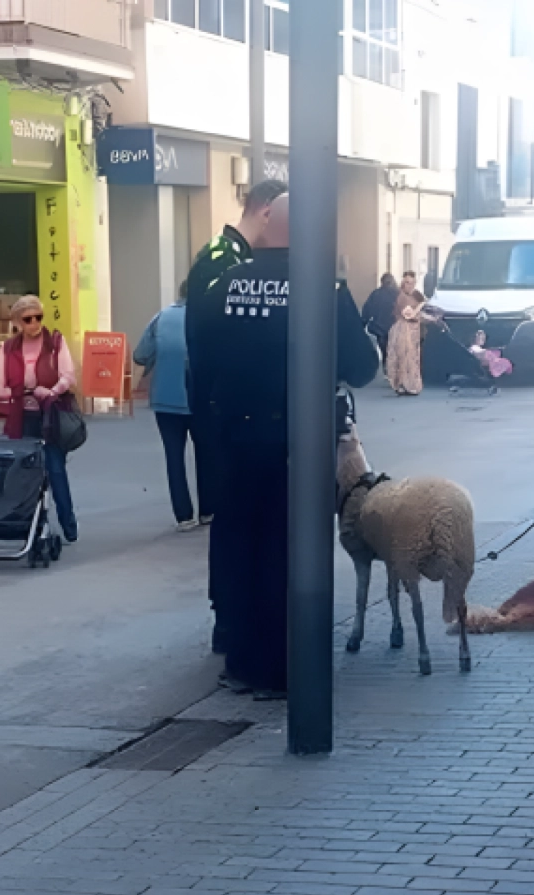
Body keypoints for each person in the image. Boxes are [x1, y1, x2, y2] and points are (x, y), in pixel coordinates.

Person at [195, 193, 380, 696]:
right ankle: (285, 668)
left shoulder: (223, 283)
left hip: (236, 438)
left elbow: (200, 362)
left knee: (240, 544)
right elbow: (363, 367)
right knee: (292, 548)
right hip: (300, 440)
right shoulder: (325, 287)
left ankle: (241, 661)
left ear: (269, 222)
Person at [186, 179, 288, 655]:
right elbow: (209, 342)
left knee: (240, 523)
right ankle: (229, 619)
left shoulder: (232, 259)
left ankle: (238, 616)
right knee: (234, 523)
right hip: (224, 414)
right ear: (267, 212)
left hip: (230, 412)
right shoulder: (222, 262)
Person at [0, 295, 78, 544]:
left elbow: (68, 375)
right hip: (21, 416)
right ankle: (29, 524)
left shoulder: (55, 343)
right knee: (22, 471)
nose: (35, 323)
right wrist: (15, 393)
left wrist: (52, 391)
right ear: (18, 322)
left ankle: (68, 523)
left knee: (55, 469)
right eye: (28, 319)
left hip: (51, 414)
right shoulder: (9, 348)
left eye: (38, 317)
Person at [134, 282, 211, 531]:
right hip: (201, 399)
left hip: (165, 400)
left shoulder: (161, 318)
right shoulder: (208, 319)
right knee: (206, 454)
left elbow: (140, 355)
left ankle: (183, 515)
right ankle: (208, 510)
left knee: (173, 457)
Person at [386, 270, 425, 395]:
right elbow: (409, 315)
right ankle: (402, 385)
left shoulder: (416, 294)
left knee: (413, 359)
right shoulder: (401, 297)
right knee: (402, 358)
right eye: (407, 282)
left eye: (412, 283)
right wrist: (420, 307)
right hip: (402, 330)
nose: (410, 285)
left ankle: (411, 385)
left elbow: (425, 303)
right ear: (403, 283)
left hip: (413, 332)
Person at [361, 273, 399, 357]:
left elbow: (367, 311)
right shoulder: (398, 294)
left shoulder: (376, 294)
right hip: (395, 332)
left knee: (383, 356)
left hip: (379, 331)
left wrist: (362, 325)